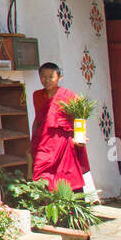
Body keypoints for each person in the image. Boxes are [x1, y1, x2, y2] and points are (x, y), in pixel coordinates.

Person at [29, 62, 91, 193]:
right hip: (43, 142)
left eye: (50, 76)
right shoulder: (37, 96)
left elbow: (80, 117)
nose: (46, 80)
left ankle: (73, 205)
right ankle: (46, 206)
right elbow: (38, 119)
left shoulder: (69, 95)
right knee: (41, 171)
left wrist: (81, 136)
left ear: (59, 78)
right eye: (43, 76)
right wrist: (33, 139)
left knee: (67, 172)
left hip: (63, 142)